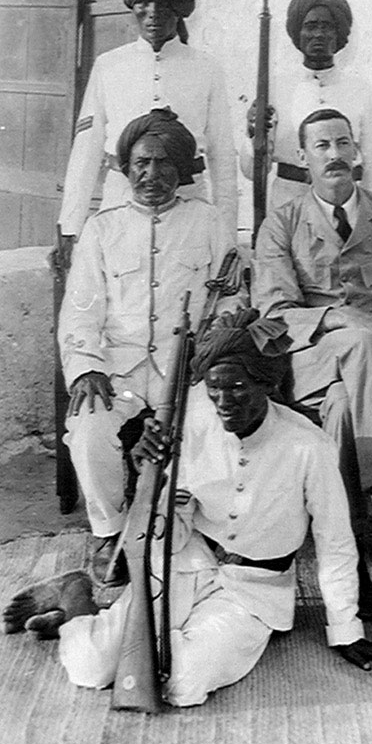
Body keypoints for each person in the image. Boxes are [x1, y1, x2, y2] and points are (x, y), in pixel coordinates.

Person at [3, 310, 372, 708]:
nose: (223, 402)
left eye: (236, 388)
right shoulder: (191, 423)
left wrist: (346, 629)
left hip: (253, 591)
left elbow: (335, 541)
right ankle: (76, 596)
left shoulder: (308, 446)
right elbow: (169, 523)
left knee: (184, 681)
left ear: (266, 385)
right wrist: (151, 474)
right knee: (90, 668)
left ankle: (113, 625)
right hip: (185, 564)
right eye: (213, 390)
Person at [252, 107, 372, 610]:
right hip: (309, 358)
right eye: (322, 146)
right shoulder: (281, 223)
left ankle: (351, 554)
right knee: (358, 344)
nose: (335, 155)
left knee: (341, 406)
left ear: (357, 151)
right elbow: (274, 314)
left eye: (343, 144)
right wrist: (343, 320)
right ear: (303, 157)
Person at [59, 108, 241, 584]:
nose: (151, 174)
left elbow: (232, 298)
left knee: (219, 427)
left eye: (163, 164)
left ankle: (215, 531)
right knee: (88, 425)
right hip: (119, 373)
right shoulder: (102, 229)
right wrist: (85, 368)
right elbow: (80, 313)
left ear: (180, 172)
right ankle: (108, 534)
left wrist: (211, 356)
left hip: (191, 369)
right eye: (141, 163)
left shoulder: (209, 221)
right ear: (126, 168)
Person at [57, 0, 237, 255]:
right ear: (133, 7)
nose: (153, 12)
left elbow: (222, 156)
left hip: (188, 202)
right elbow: (87, 149)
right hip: (121, 200)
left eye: (164, 2)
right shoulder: (109, 66)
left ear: (179, 8)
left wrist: (227, 233)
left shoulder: (206, 69)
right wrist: (70, 224)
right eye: (144, 3)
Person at [241, 0, 372, 212]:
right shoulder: (273, 88)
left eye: (327, 27)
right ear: (298, 33)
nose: (318, 34)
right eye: (310, 26)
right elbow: (251, 171)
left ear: (339, 34)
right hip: (288, 206)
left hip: (344, 206)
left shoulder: (361, 91)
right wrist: (253, 134)